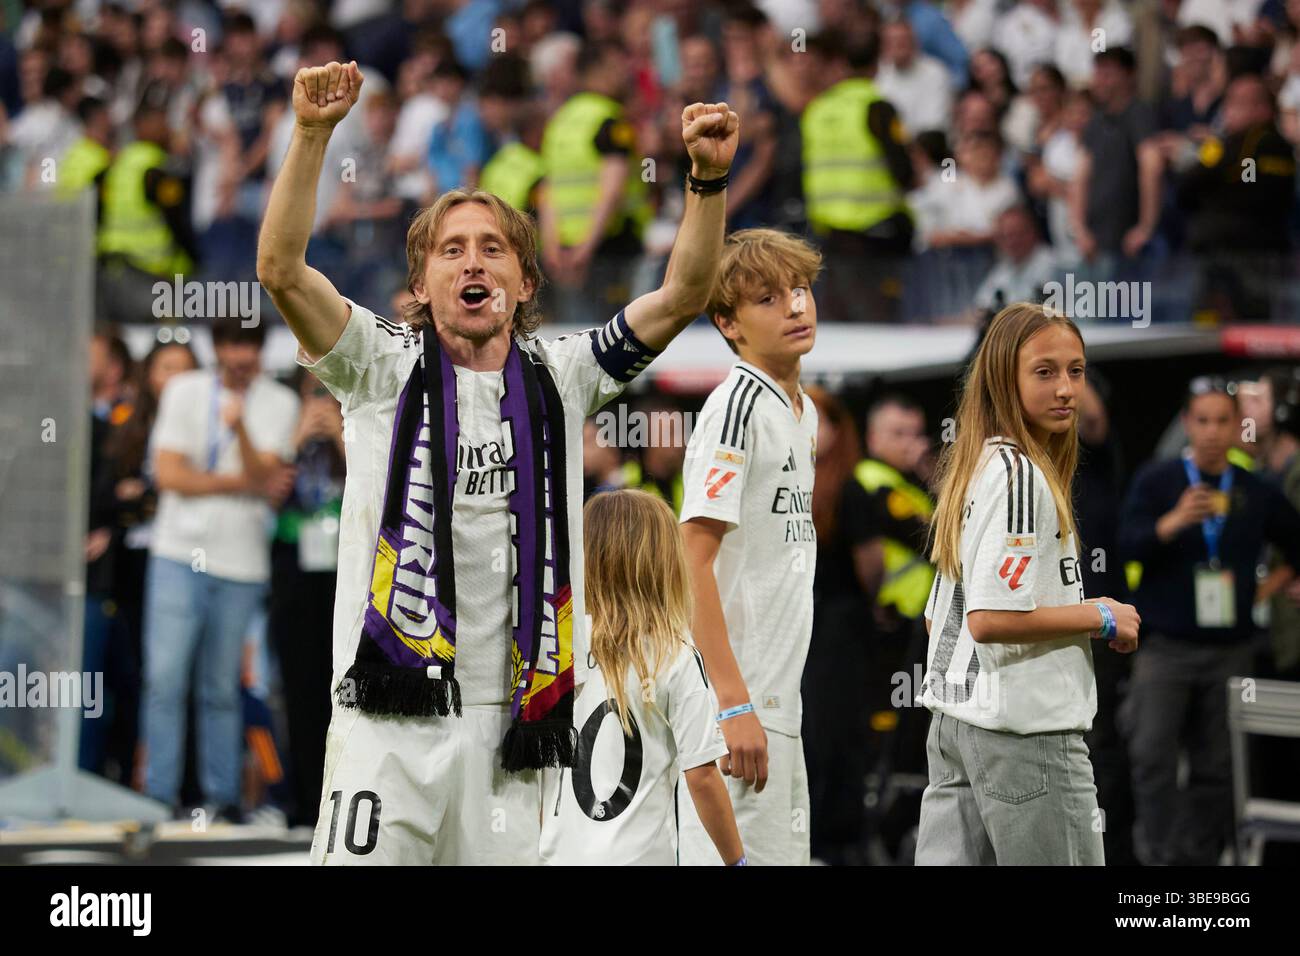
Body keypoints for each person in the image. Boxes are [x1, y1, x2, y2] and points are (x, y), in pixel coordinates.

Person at [256, 59, 738, 865]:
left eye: (490, 249)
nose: (471, 263)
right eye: (450, 250)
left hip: (519, 729)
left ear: (524, 278)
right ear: (420, 281)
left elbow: (684, 294)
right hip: (390, 720)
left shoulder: (566, 374)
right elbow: (278, 269)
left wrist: (708, 181)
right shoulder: (377, 366)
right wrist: (310, 135)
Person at [915, 303, 1140, 866]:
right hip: (1025, 736)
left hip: (957, 728)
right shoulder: (1018, 477)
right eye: (1044, 372)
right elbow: (989, 620)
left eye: (1076, 370)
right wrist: (1101, 615)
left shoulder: (977, 463)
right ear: (1002, 379)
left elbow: (936, 615)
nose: (1066, 389)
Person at [676, 228, 821, 866]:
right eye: (768, 298)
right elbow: (689, 562)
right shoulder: (733, 408)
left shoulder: (803, 410)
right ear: (728, 322)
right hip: (739, 710)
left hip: (779, 707)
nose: (795, 307)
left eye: (800, 289)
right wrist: (732, 703)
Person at [1117, 375, 1300, 865]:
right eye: (1203, 421)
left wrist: (1270, 584)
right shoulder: (1158, 481)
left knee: (1217, 766)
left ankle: (1201, 862)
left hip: (1230, 648)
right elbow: (1125, 545)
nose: (1214, 432)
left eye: (1224, 421)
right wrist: (1171, 522)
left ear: (1236, 425)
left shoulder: (1252, 489)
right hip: (1165, 648)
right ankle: (1157, 856)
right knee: (1152, 754)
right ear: (1186, 423)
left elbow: (1294, 540)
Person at [141, 318, 299, 819]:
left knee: (223, 687)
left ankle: (222, 799)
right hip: (175, 555)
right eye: (231, 345)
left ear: (260, 351)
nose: (239, 357)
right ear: (217, 348)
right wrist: (245, 484)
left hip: (242, 563)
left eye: (248, 346)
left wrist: (239, 429)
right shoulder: (185, 391)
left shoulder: (281, 403)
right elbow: (168, 475)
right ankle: (158, 798)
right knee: (164, 681)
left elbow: (269, 477)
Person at [540, 490, 743, 865]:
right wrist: (737, 860)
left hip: (555, 856)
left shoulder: (558, 646)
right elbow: (702, 776)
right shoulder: (675, 654)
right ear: (664, 563)